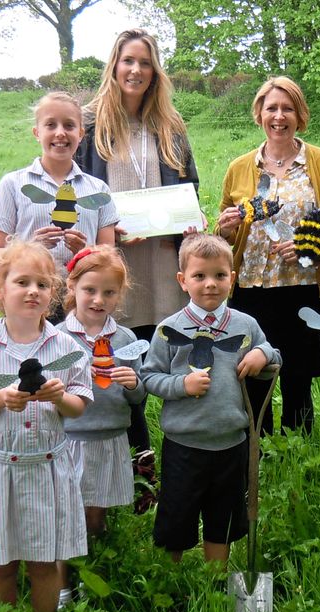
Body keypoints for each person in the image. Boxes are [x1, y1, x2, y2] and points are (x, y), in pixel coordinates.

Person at [74, 28, 202, 508]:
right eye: (128, 61)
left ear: (155, 72)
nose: (136, 71)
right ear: (114, 66)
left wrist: (193, 222)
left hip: (163, 263)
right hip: (113, 268)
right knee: (118, 364)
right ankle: (131, 465)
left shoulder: (171, 126)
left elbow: (190, 190)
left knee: (163, 360)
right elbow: (76, 194)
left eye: (145, 63)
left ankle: (176, 462)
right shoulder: (89, 126)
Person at [0, 239, 94, 612]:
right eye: (22, 282)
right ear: (0, 289)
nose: (33, 291)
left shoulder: (67, 346)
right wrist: (1, 397)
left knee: (45, 562)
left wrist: (59, 397)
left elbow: (79, 405)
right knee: (1, 562)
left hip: (47, 467)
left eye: (43, 285)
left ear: (54, 294)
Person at [141, 234, 281, 563]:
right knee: (177, 515)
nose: (210, 285)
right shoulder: (168, 329)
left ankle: (213, 582)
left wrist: (262, 353)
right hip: (184, 443)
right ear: (182, 280)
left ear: (232, 279)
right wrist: (181, 385)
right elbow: (149, 376)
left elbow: (272, 358)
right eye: (199, 276)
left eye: (220, 275)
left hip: (231, 442)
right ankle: (170, 579)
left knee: (225, 518)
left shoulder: (245, 325)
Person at [216, 76, 320, 436]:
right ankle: (257, 453)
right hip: (251, 291)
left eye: (288, 108)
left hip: (303, 288)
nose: (279, 116)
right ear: (259, 114)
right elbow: (224, 228)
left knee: (298, 379)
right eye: (272, 108)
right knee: (254, 377)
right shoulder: (241, 167)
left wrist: (309, 242)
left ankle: (298, 456)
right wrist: (224, 229)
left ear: (300, 115)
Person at [55, 245, 145, 609]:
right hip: (69, 440)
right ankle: (61, 590)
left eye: (109, 292)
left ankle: (96, 576)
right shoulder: (56, 337)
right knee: (65, 515)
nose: (98, 299)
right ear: (71, 287)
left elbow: (140, 398)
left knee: (96, 514)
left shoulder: (124, 339)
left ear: (119, 295)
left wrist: (133, 384)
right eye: (90, 290)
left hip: (110, 438)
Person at [0, 91, 120, 279]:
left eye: (69, 125)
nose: (60, 133)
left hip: (81, 299)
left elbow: (108, 257)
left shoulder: (98, 189)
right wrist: (30, 248)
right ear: (37, 133)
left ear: (80, 134)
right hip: (30, 297)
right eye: (50, 125)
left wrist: (85, 252)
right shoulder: (13, 184)